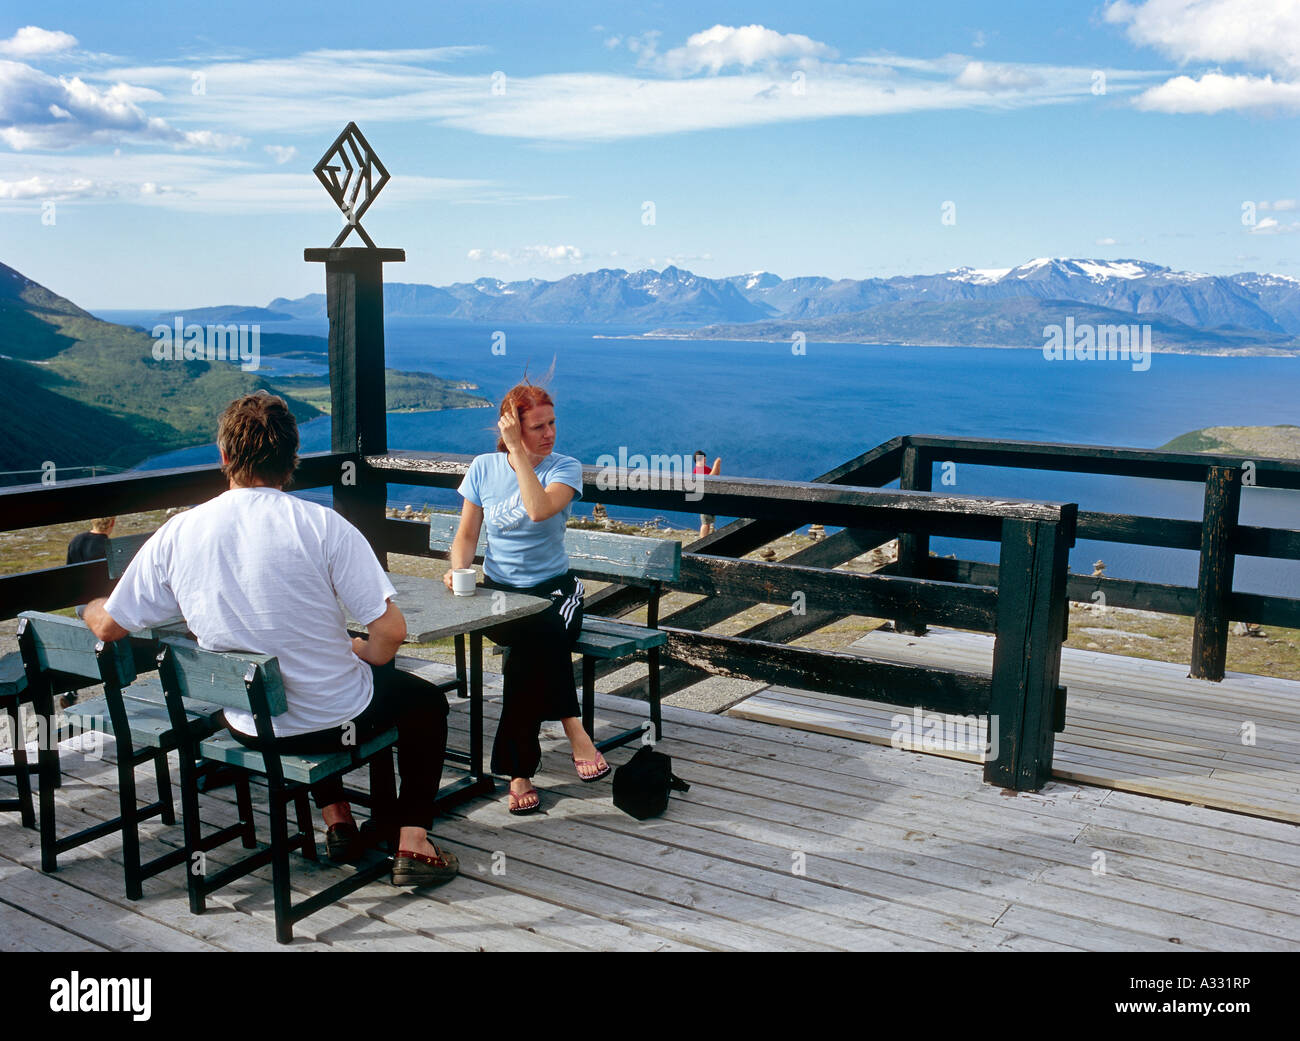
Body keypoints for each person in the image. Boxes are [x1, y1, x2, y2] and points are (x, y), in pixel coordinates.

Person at [84, 391, 456, 887]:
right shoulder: (322, 525)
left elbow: (110, 625)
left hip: (249, 723)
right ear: (291, 461)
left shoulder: (179, 532)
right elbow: (390, 632)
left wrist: (89, 607)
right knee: (424, 703)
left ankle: (338, 818)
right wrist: (363, 653)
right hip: (331, 719)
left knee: (289, 683)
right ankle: (412, 842)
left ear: (224, 458)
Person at [445, 381, 603, 815]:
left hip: (555, 593)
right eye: (537, 427)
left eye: (552, 423)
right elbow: (466, 535)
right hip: (500, 594)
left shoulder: (564, 469)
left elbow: (537, 509)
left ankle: (519, 773)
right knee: (533, 640)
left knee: (530, 646)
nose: (549, 433)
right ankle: (573, 725)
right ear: (514, 426)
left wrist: (519, 454)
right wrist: (459, 570)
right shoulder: (483, 468)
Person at [693, 450, 721, 538]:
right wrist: (716, 464)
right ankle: (702, 541)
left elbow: (715, 475)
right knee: (705, 522)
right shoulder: (698, 470)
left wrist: (717, 466)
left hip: (708, 498)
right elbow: (710, 479)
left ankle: (705, 539)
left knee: (708, 522)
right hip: (704, 498)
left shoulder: (705, 469)